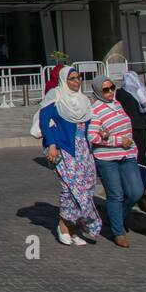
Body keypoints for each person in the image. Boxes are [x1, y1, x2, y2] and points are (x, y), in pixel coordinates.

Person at [37, 67, 101, 246]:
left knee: (87, 186)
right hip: (65, 148)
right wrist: (51, 144)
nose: (76, 81)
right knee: (70, 188)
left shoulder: (83, 100)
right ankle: (63, 225)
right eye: (72, 78)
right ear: (64, 80)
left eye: (78, 78)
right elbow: (44, 120)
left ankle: (73, 227)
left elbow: (90, 124)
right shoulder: (57, 98)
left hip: (84, 150)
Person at [88, 76, 145, 249]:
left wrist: (127, 143)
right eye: (105, 90)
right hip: (107, 158)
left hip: (127, 155)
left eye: (112, 87)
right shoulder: (96, 110)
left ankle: (115, 218)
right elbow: (92, 136)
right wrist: (117, 141)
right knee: (116, 194)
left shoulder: (117, 104)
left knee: (136, 192)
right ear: (98, 91)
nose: (110, 92)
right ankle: (118, 232)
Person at [116, 70, 146, 168]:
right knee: (141, 151)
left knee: (130, 150)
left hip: (126, 125)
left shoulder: (119, 92)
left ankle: (132, 170)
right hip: (140, 125)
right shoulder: (138, 91)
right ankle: (143, 173)